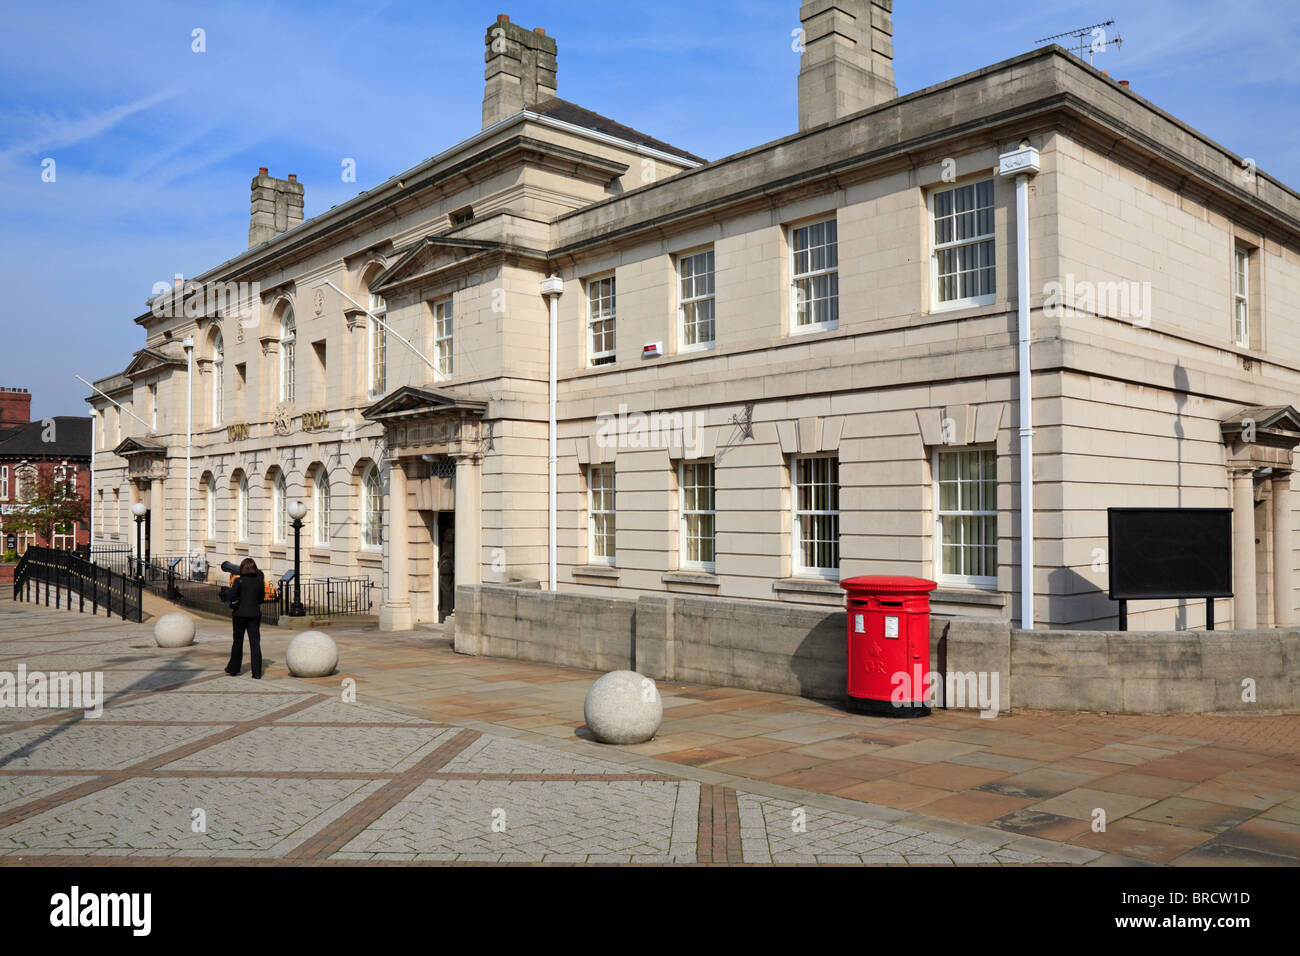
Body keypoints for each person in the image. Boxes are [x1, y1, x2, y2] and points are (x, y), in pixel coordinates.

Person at [219, 557, 265, 678]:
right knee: (255, 643)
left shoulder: (239, 581)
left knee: (238, 642)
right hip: (254, 614)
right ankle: (257, 672)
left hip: (239, 614)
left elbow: (231, 596)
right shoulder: (259, 581)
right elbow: (261, 598)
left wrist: (227, 595)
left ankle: (234, 668)